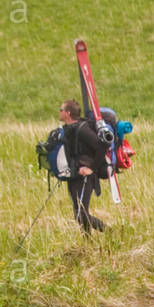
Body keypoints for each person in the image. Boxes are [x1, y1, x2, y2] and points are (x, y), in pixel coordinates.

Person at [59, 99, 107, 235]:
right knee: (78, 214)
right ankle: (87, 243)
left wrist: (91, 168)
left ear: (67, 113)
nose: (59, 112)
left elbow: (101, 146)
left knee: (82, 212)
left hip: (86, 176)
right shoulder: (69, 130)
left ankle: (111, 232)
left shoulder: (82, 129)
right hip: (74, 175)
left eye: (61, 110)